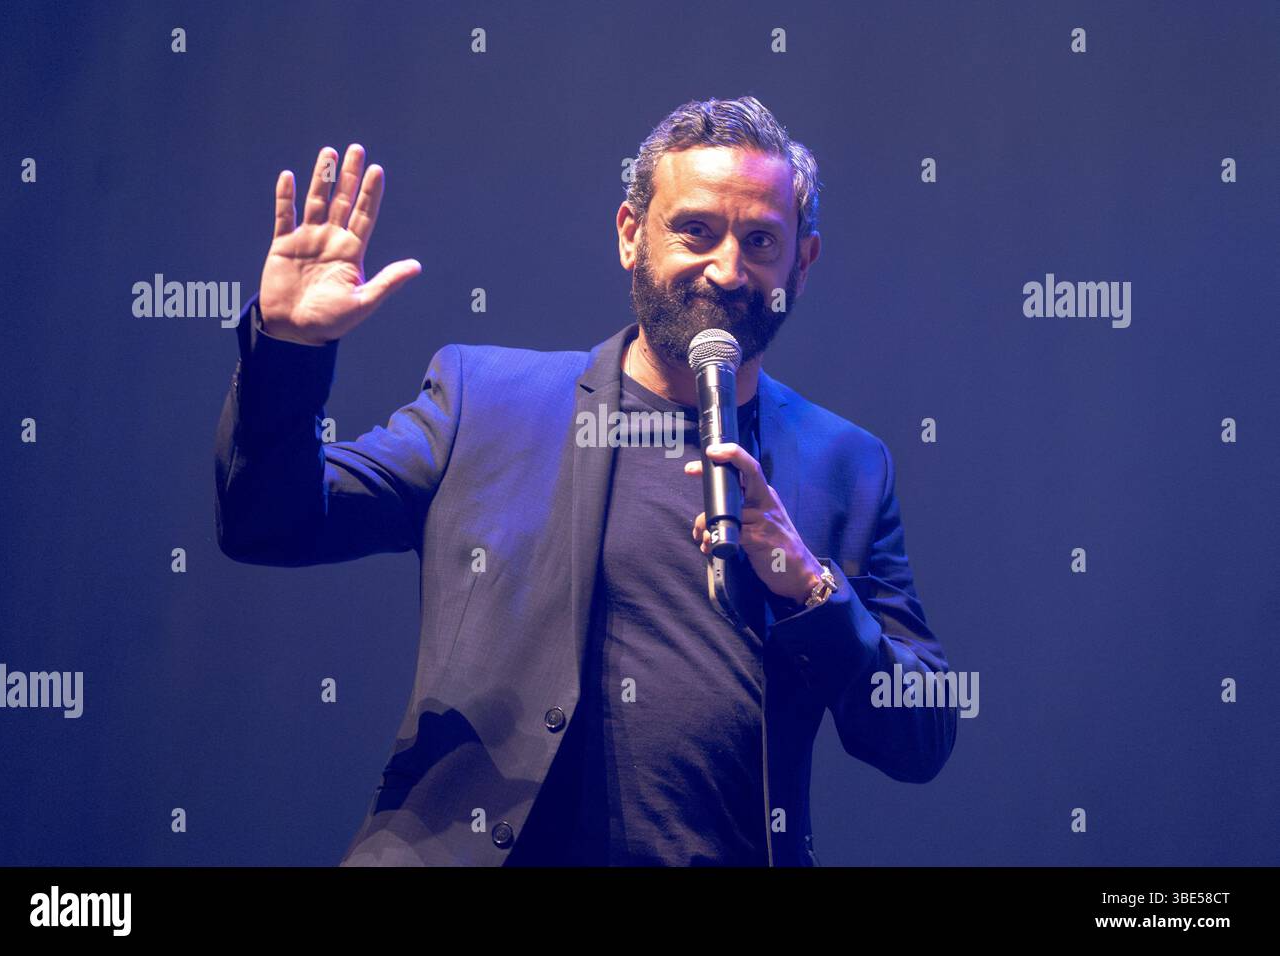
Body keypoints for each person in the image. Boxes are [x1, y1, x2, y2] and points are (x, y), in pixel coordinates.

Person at [214, 95, 957, 867]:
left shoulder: (846, 463)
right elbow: (271, 522)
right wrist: (289, 351)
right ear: (631, 236)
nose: (728, 269)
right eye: (695, 230)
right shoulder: (488, 401)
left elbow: (921, 736)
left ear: (800, 262)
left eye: (761, 240)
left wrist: (813, 589)